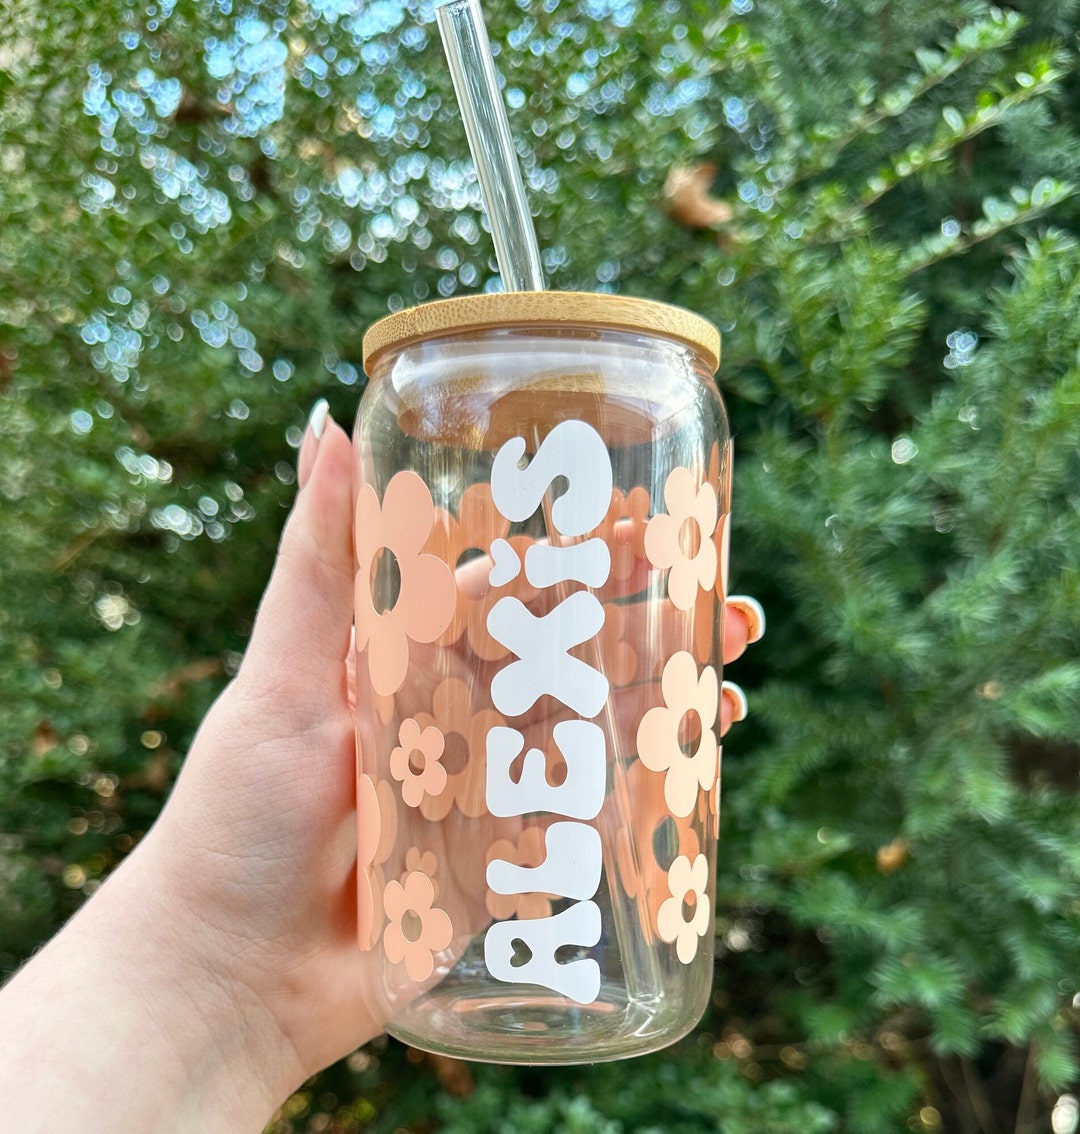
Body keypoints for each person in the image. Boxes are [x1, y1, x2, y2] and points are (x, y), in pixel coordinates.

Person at [0, 403, 765, 1133]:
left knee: (657, 692)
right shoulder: (416, 399)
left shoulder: (674, 402)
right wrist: (215, 957)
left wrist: (221, 984)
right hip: (395, 910)